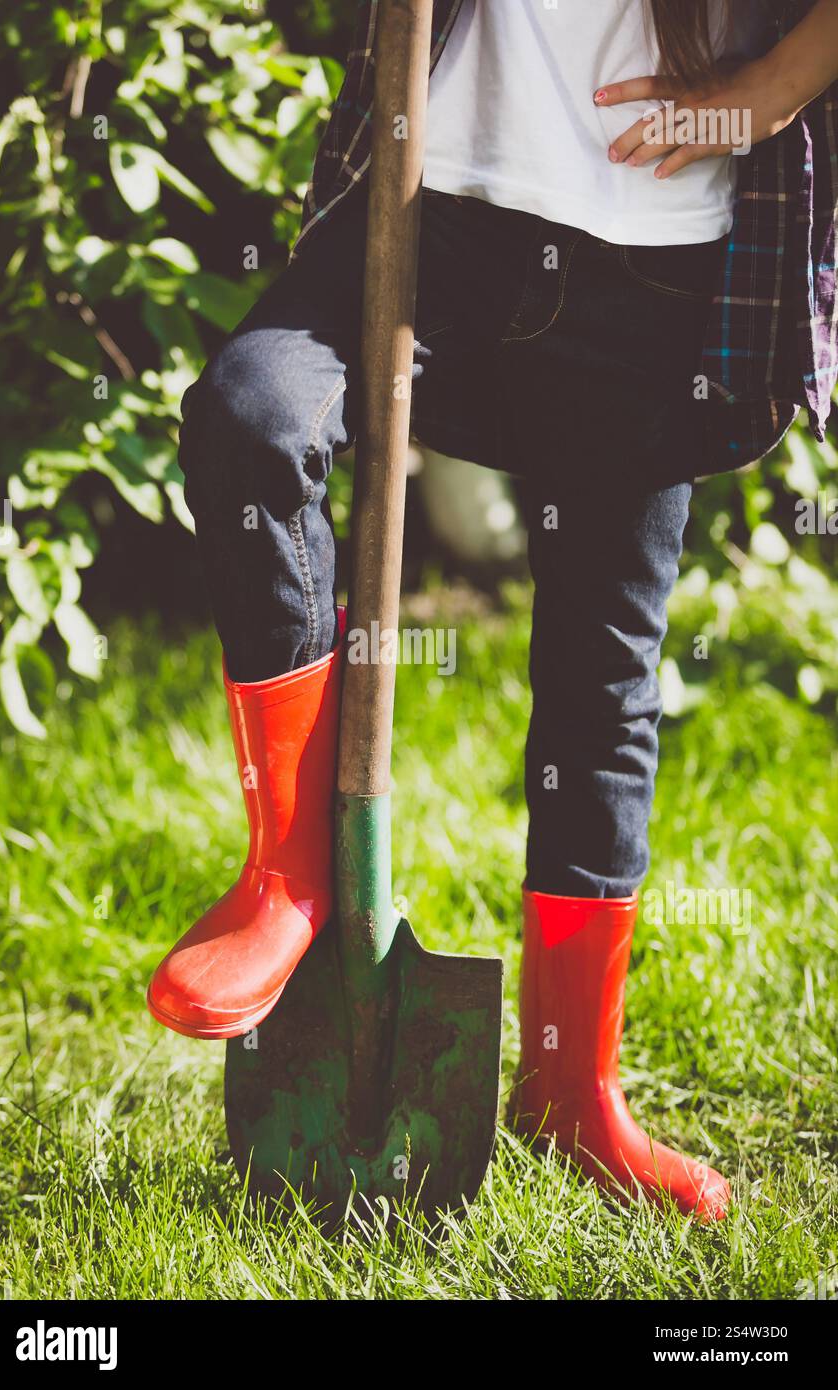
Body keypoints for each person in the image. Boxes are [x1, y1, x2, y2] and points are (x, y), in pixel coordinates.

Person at [147, 0, 838, 1220]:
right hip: (430, 208)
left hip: (653, 257)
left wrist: (776, 84)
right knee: (251, 416)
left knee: (600, 677)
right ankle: (291, 880)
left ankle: (573, 1093)